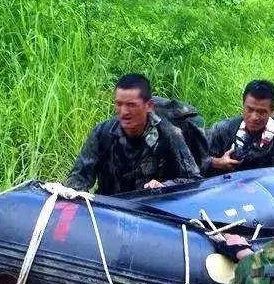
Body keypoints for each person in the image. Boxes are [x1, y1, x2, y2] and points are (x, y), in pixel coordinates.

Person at [66, 73, 201, 195]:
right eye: (119, 104)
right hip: (109, 211)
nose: (124, 112)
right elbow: (78, 178)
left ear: (149, 106)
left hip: (151, 211)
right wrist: (73, 194)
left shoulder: (169, 134)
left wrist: (164, 186)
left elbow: (193, 180)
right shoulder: (102, 133)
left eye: (131, 105)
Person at [202, 80, 274, 176]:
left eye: (262, 112)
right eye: (249, 109)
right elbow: (191, 161)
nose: (254, 117)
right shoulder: (223, 129)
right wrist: (216, 162)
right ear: (243, 105)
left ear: (272, 112)